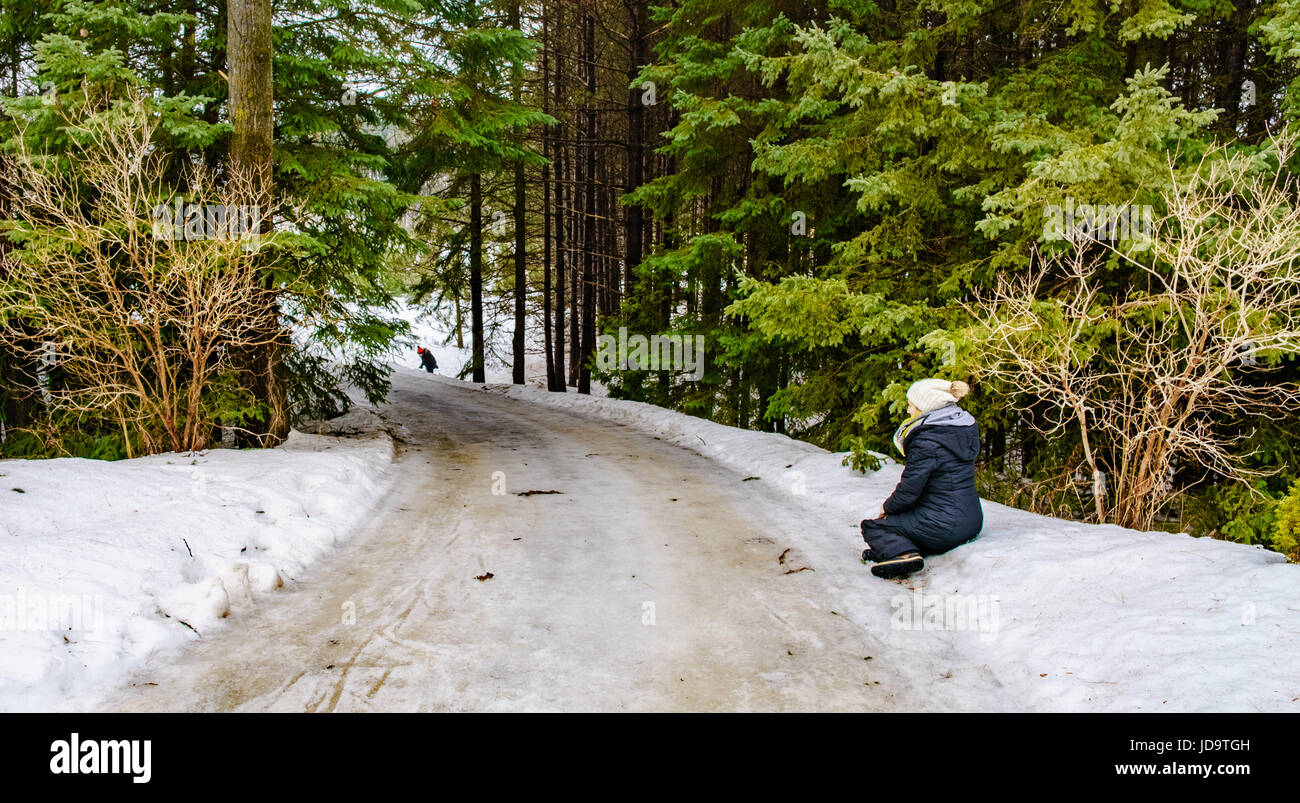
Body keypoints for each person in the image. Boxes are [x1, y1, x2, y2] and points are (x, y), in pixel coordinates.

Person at [860, 378, 983, 579]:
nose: (908, 411)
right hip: (972, 522)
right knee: (908, 521)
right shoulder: (960, 427)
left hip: (945, 526)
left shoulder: (927, 440)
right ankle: (899, 549)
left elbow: (909, 490)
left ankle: (902, 554)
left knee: (874, 527)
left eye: (911, 406)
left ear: (925, 408)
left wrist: (886, 509)